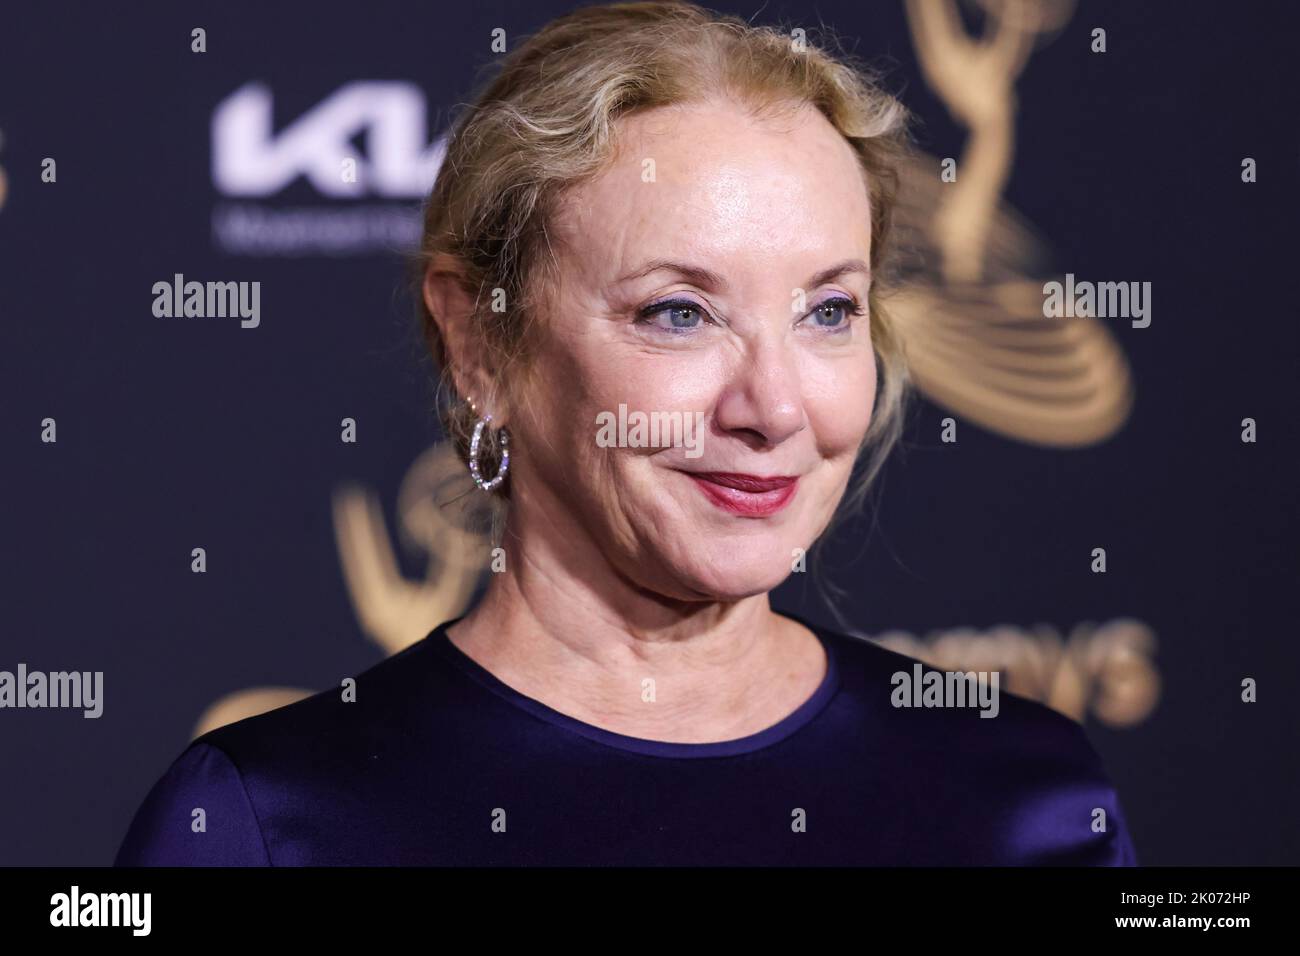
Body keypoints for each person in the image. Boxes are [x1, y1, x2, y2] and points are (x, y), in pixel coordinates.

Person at [114, 0, 1137, 866]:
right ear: (479, 345)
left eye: (827, 311)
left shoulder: (1028, 802)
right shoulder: (266, 824)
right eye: (678, 312)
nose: (774, 407)